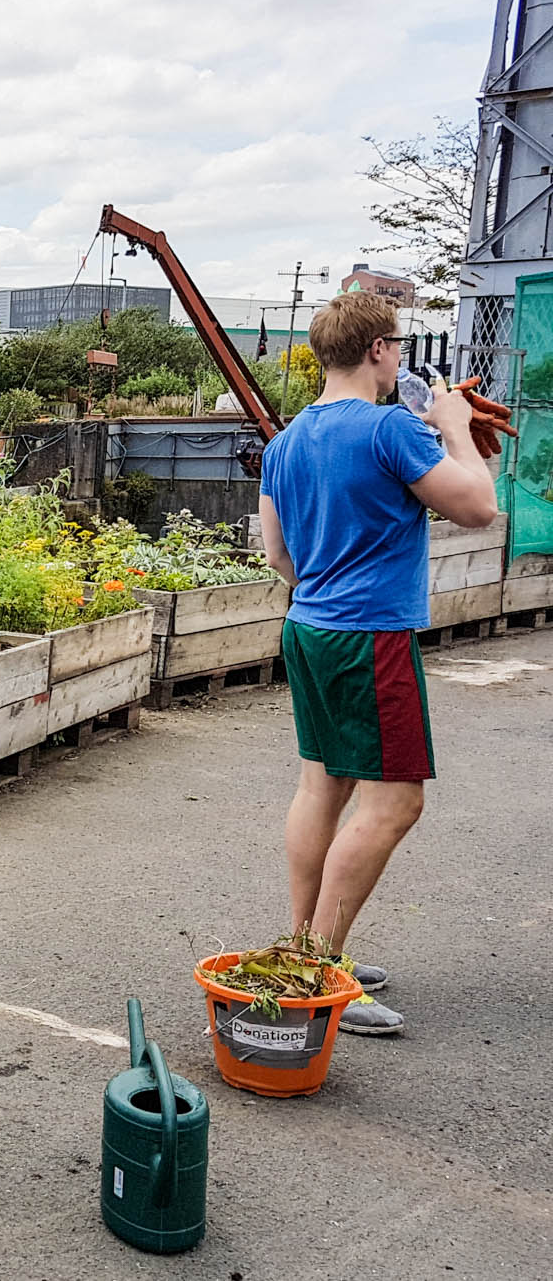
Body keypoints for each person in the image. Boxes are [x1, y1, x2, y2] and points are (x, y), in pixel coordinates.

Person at [258, 291, 499, 1037]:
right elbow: (478, 507)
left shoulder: (285, 441)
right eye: (397, 345)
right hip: (370, 636)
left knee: (322, 786)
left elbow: (279, 558)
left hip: (308, 629)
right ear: (377, 350)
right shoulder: (392, 427)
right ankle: (320, 968)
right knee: (395, 802)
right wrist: (455, 429)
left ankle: (304, 946)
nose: (400, 359)